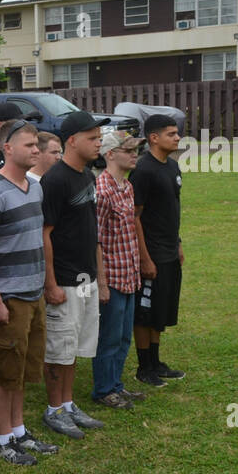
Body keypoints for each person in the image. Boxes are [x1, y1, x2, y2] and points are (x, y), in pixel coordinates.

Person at [0, 122, 59, 466]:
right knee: (5, 371)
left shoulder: (34, 187)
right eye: (29, 145)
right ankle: (4, 439)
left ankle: (20, 430)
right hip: (9, 298)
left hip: (33, 294)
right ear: (7, 148)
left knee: (24, 370)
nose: (36, 151)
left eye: (37, 146)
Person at [40, 111, 107, 439]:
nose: (99, 142)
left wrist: (99, 277)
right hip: (64, 281)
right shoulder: (55, 180)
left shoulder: (88, 177)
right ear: (72, 140)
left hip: (86, 280)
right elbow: (45, 234)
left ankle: (67, 404)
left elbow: (92, 231)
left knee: (75, 344)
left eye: (99, 137)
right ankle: (53, 409)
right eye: (92, 137)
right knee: (58, 347)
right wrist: (50, 283)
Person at [92, 132, 148, 411]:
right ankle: (103, 388)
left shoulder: (127, 186)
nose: (134, 154)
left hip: (129, 275)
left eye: (135, 149)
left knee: (124, 336)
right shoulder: (101, 190)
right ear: (110, 154)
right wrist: (101, 283)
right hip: (112, 276)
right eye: (128, 150)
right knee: (109, 336)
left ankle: (115, 384)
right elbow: (96, 240)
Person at [131, 114, 186, 386]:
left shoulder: (173, 167)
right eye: (172, 134)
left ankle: (156, 361)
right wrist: (144, 258)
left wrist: (177, 244)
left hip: (168, 250)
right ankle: (143, 367)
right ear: (154, 137)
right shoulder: (143, 170)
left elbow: (172, 209)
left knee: (160, 309)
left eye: (177, 133)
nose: (177, 138)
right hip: (150, 253)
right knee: (145, 311)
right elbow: (135, 216)